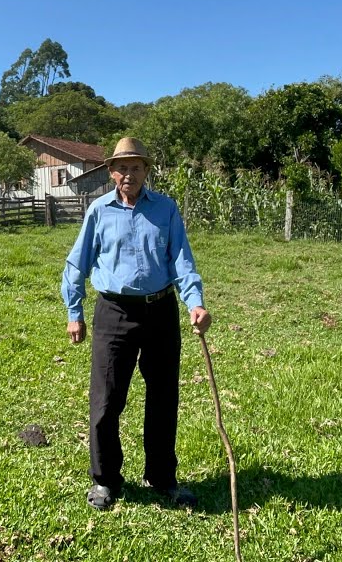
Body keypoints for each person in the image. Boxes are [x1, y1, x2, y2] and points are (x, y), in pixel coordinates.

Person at [61, 137, 212, 511]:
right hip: (113, 312)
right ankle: (106, 480)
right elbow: (77, 263)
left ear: (146, 171)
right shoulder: (99, 210)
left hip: (160, 311)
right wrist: (74, 312)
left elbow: (181, 259)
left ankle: (161, 477)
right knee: (107, 400)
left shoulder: (165, 209)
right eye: (122, 167)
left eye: (136, 167)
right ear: (112, 172)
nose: (129, 174)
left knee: (163, 398)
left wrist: (195, 302)